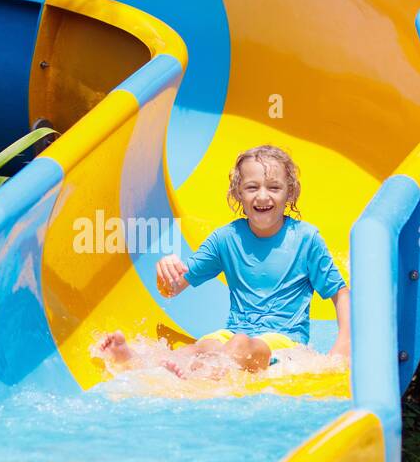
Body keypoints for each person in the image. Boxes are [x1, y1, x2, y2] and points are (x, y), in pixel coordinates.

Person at [95, 144, 350, 378]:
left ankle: (202, 376)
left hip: (284, 344)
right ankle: (131, 358)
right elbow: (172, 289)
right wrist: (166, 274)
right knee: (200, 347)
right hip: (233, 334)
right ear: (238, 193)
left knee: (239, 345)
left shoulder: (306, 239)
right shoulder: (226, 239)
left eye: (274, 187)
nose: (262, 196)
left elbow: (340, 293)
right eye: (252, 187)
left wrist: (343, 345)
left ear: (290, 192)